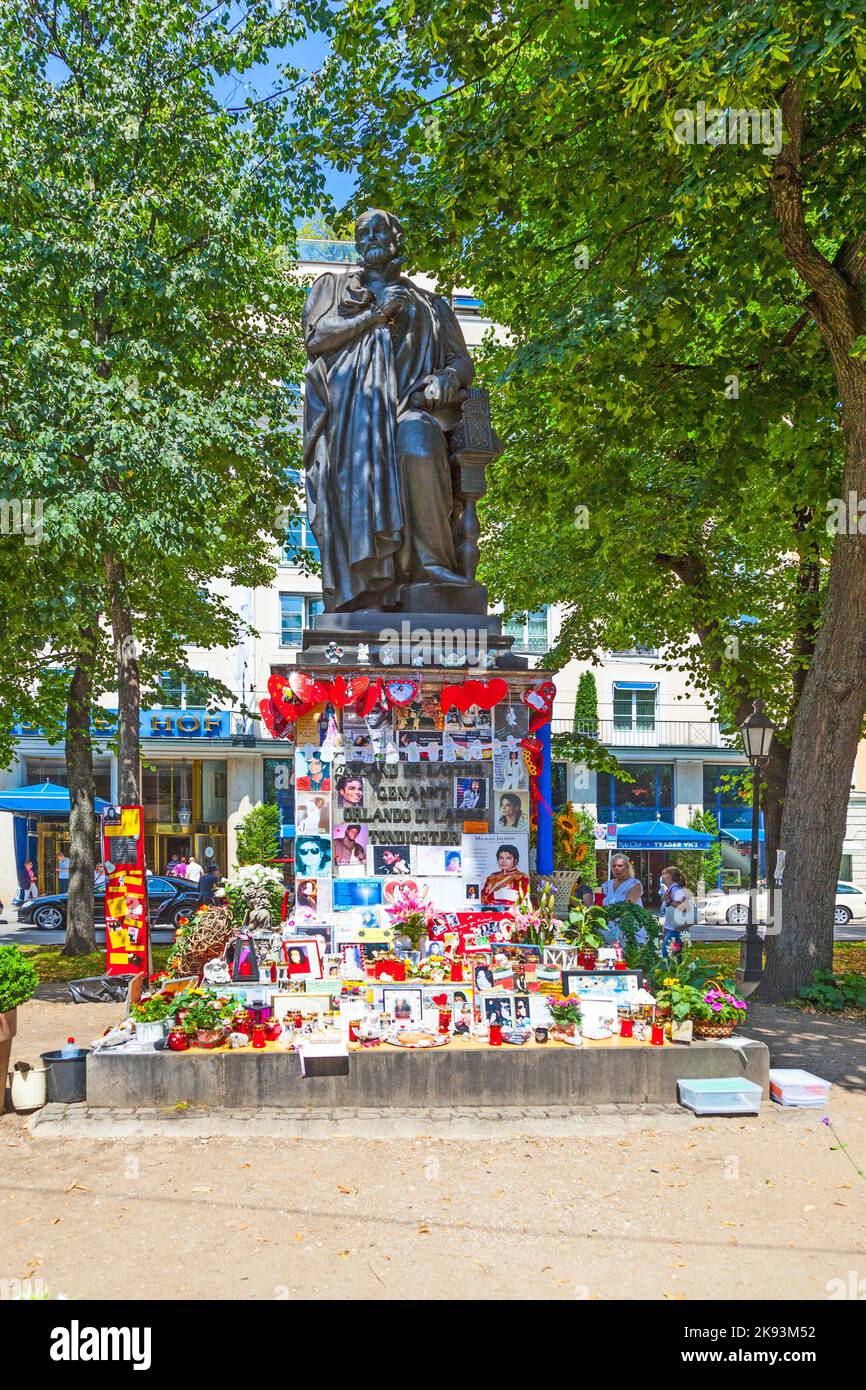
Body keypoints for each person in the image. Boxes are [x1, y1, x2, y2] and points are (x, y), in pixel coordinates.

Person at [659, 865, 692, 958]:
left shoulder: (675, 889)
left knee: (666, 954)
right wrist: (665, 928)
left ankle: (668, 972)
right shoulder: (672, 889)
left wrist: (669, 901)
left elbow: (685, 908)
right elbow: (670, 912)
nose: (661, 877)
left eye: (663, 874)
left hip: (676, 930)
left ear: (669, 876)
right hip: (672, 928)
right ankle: (675, 972)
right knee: (675, 956)